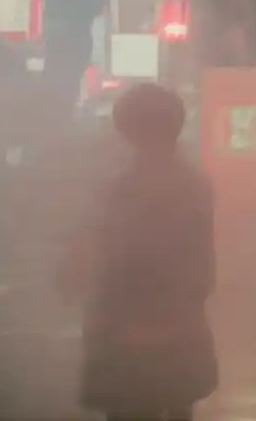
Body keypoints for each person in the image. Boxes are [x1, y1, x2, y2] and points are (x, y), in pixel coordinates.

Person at [77, 84, 217, 421]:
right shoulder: (194, 184)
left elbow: (115, 263)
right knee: (176, 406)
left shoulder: (123, 188)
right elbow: (202, 270)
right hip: (180, 328)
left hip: (128, 333)